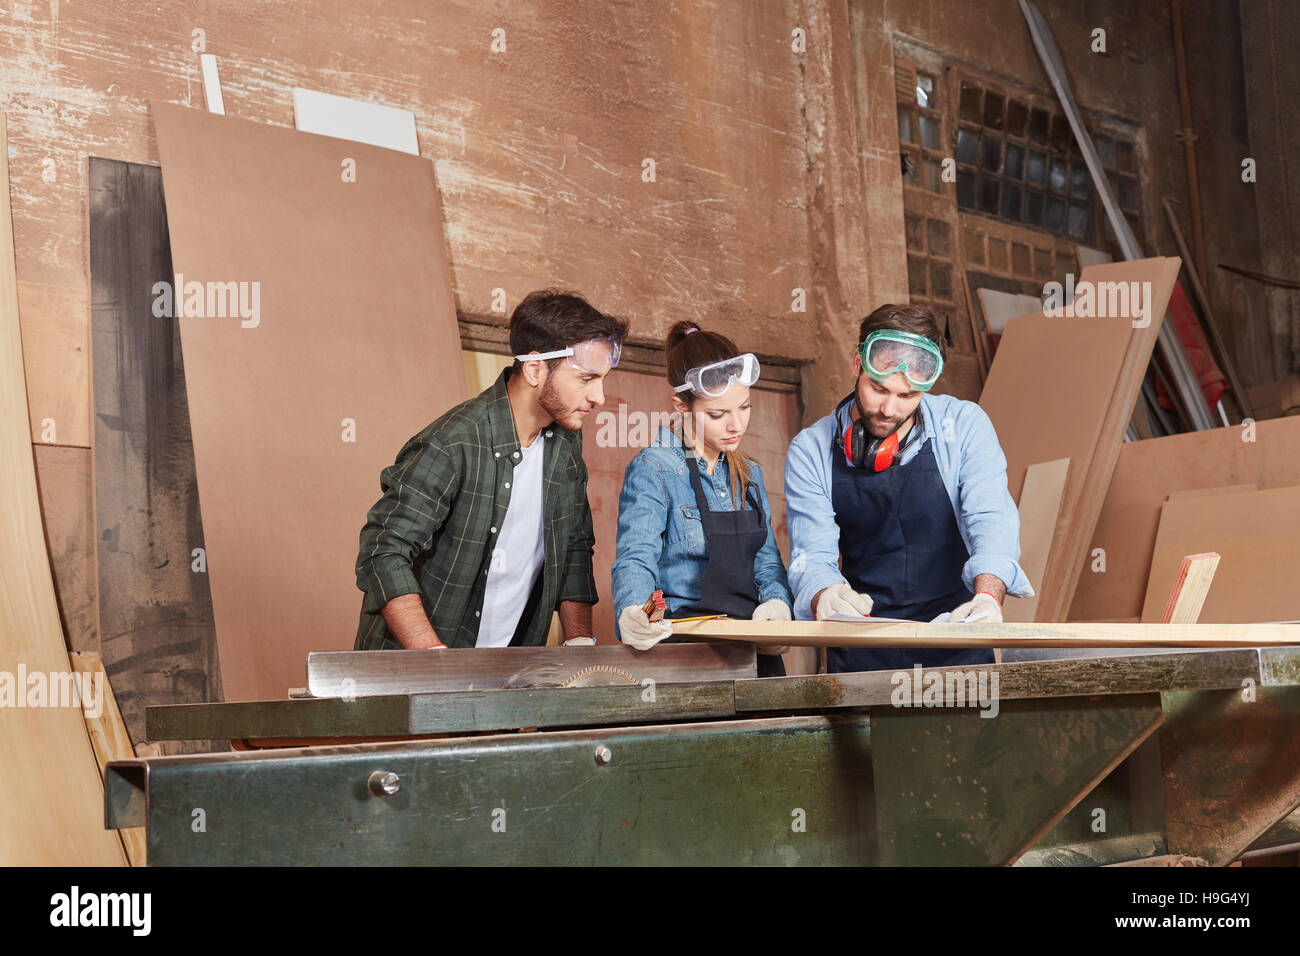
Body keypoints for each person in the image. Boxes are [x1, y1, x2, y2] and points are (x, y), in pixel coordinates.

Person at [353, 289, 628, 650]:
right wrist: (432, 658)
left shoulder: (566, 445)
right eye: (586, 379)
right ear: (535, 369)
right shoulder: (453, 443)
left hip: (503, 670)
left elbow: (573, 545)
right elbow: (383, 551)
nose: (599, 397)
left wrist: (579, 644)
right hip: (412, 675)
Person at [784, 303, 1031, 673]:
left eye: (907, 397)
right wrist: (825, 594)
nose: (887, 408)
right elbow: (811, 556)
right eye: (877, 388)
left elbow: (991, 516)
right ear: (857, 364)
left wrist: (988, 599)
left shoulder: (964, 427)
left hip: (955, 644)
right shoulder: (810, 450)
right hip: (862, 649)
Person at [611, 321, 794, 677]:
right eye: (717, 414)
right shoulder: (655, 468)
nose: (736, 425)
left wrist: (776, 605)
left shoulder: (749, 475)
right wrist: (637, 612)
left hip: (752, 650)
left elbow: (767, 564)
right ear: (681, 406)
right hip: (685, 655)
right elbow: (636, 560)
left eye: (744, 407)